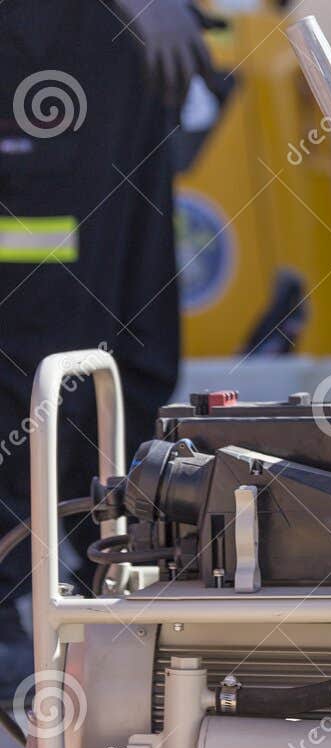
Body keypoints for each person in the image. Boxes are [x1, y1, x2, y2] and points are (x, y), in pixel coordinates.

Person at [0, 0, 204, 691]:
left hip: (118, 61)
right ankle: (13, 609)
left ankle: (112, 583)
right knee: (40, 348)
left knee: (135, 342)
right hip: (38, 48)